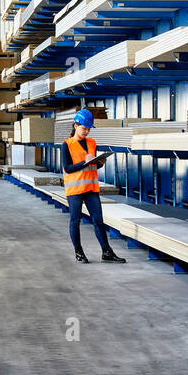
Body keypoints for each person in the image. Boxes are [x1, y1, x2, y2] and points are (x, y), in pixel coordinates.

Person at [62, 109, 126, 265]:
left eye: (89, 128)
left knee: (98, 220)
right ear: (75, 125)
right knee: (75, 221)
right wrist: (84, 162)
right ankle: (79, 252)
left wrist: (99, 163)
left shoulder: (92, 143)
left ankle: (107, 252)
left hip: (91, 188)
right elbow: (68, 168)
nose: (86, 131)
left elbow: (93, 166)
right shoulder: (67, 144)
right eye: (84, 128)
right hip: (75, 190)